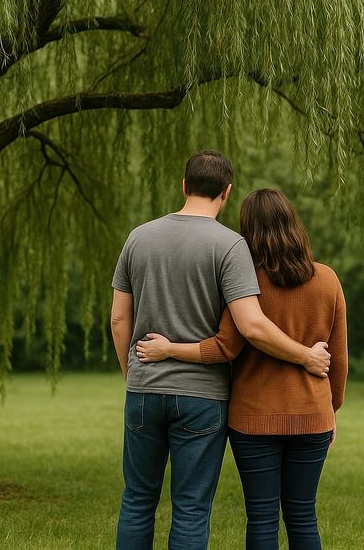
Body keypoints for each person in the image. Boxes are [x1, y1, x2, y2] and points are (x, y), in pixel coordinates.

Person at [111, 151, 332, 550]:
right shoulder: (231, 247)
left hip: (144, 387)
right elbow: (250, 326)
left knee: (137, 500)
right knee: (192, 507)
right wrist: (306, 357)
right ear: (227, 192)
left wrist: (136, 375)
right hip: (202, 396)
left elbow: (118, 320)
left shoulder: (138, 237)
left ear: (184, 185)